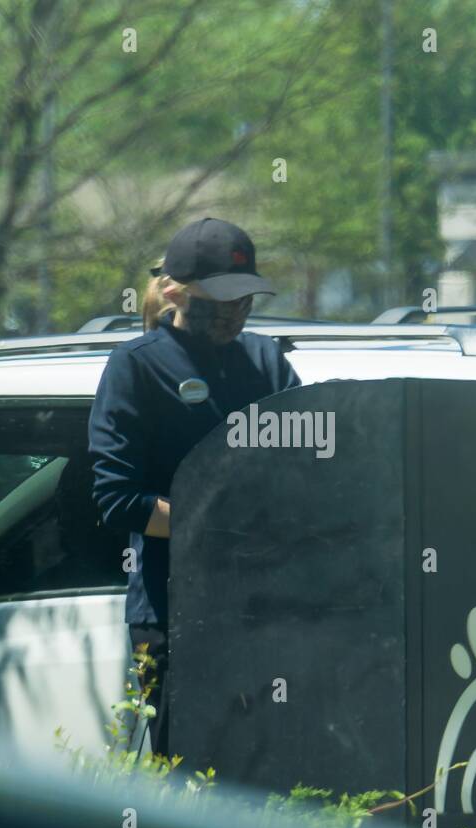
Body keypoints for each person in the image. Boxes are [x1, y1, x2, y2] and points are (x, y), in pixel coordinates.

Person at [89, 218, 301, 757]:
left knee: (271, 777)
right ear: (174, 291)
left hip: (265, 609)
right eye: (220, 299)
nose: (235, 311)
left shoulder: (267, 363)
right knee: (190, 778)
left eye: (245, 297)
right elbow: (117, 499)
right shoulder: (135, 368)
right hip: (172, 612)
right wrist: (214, 531)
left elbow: (308, 471)